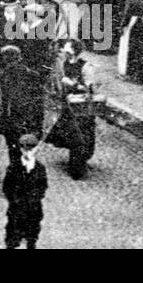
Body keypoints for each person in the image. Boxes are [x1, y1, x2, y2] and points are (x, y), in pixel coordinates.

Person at [45, 39, 96, 179]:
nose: (64, 51)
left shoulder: (86, 66)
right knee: (71, 135)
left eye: (67, 48)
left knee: (81, 135)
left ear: (74, 50)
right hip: (67, 106)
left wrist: (74, 85)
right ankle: (76, 162)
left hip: (81, 107)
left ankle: (78, 167)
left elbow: (90, 88)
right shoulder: (63, 64)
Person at [0, 45, 45, 167]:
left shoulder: (1, 77)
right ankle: (27, 173)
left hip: (11, 121)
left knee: (13, 150)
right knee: (28, 149)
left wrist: (0, 120)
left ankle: (17, 174)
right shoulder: (33, 75)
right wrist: (39, 122)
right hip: (29, 120)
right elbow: (39, 101)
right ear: (19, 58)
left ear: (4, 60)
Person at [3, 133, 48, 249]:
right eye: (24, 149)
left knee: (32, 234)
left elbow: (43, 186)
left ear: (36, 149)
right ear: (20, 149)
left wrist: (34, 198)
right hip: (16, 209)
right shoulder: (13, 167)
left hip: (33, 209)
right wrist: (15, 200)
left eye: (31, 149)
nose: (28, 152)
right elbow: (7, 187)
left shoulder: (40, 168)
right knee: (12, 235)